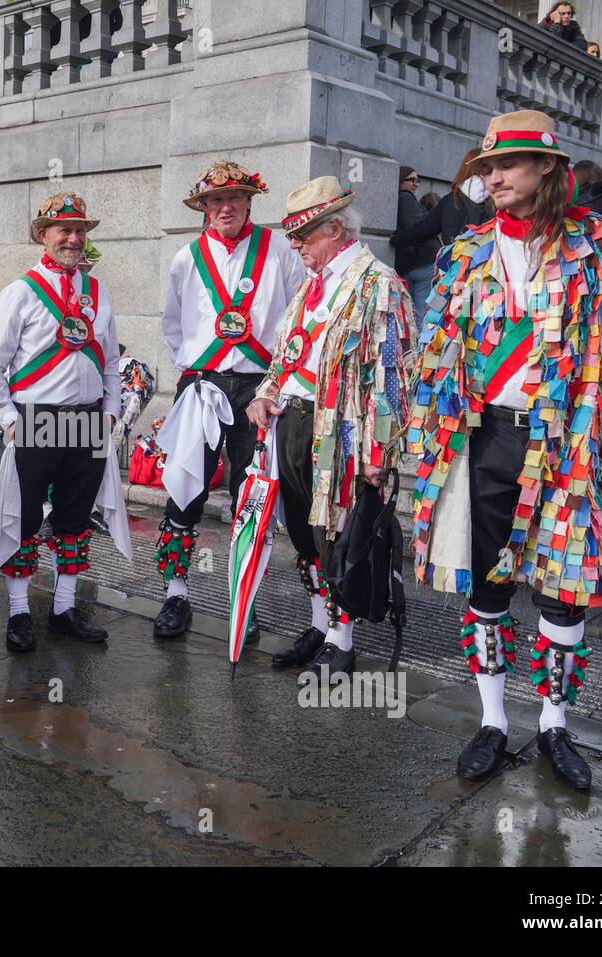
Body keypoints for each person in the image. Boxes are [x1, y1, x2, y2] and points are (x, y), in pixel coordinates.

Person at [407, 110, 602, 791]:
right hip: (485, 439)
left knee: (565, 593)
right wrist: (422, 441)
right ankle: (494, 721)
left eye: (507, 165)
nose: (493, 176)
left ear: (547, 169)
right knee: (488, 585)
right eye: (486, 167)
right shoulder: (465, 252)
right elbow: (437, 354)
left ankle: (555, 725)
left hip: (569, 443)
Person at [247, 176, 416, 678]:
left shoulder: (379, 285)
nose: (294, 245)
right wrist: (265, 394)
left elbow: (393, 378)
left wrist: (380, 450)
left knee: (337, 536)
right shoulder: (309, 287)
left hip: (341, 433)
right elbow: (287, 355)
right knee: (303, 534)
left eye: (302, 235)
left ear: (335, 229)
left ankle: (342, 643)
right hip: (292, 425)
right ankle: (320, 624)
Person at [150, 161, 303, 641]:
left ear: (249, 202)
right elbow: (173, 322)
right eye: (215, 200)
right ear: (204, 207)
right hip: (204, 383)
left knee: (249, 496)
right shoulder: (186, 257)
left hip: (261, 388)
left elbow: (298, 310)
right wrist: (196, 367)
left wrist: (280, 380)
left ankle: (244, 600)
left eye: (233, 198)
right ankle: (177, 594)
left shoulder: (279, 248)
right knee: (185, 490)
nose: (225, 207)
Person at [0, 193, 122, 652]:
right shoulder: (20, 291)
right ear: (43, 235)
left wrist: (111, 412)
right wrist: (8, 419)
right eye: (65, 230)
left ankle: (63, 609)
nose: (74, 238)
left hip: (88, 422)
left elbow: (112, 361)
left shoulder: (97, 292)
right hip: (35, 420)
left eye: (80, 230)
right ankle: (20, 613)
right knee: (22, 518)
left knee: (76, 519)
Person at [390, 147, 494, 264]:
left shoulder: (451, 200)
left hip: (456, 270)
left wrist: (393, 240)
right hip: (489, 272)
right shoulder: (498, 199)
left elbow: (423, 230)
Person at [394, 166, 439, 308]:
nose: (416, 184)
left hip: (412, 265)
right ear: (400, 180)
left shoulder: (403, 199)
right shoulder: (406, 198)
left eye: (418, 180)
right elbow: (414, 230)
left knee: (411, 311)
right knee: (422, 313)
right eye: (412, 180)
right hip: (423, 263)